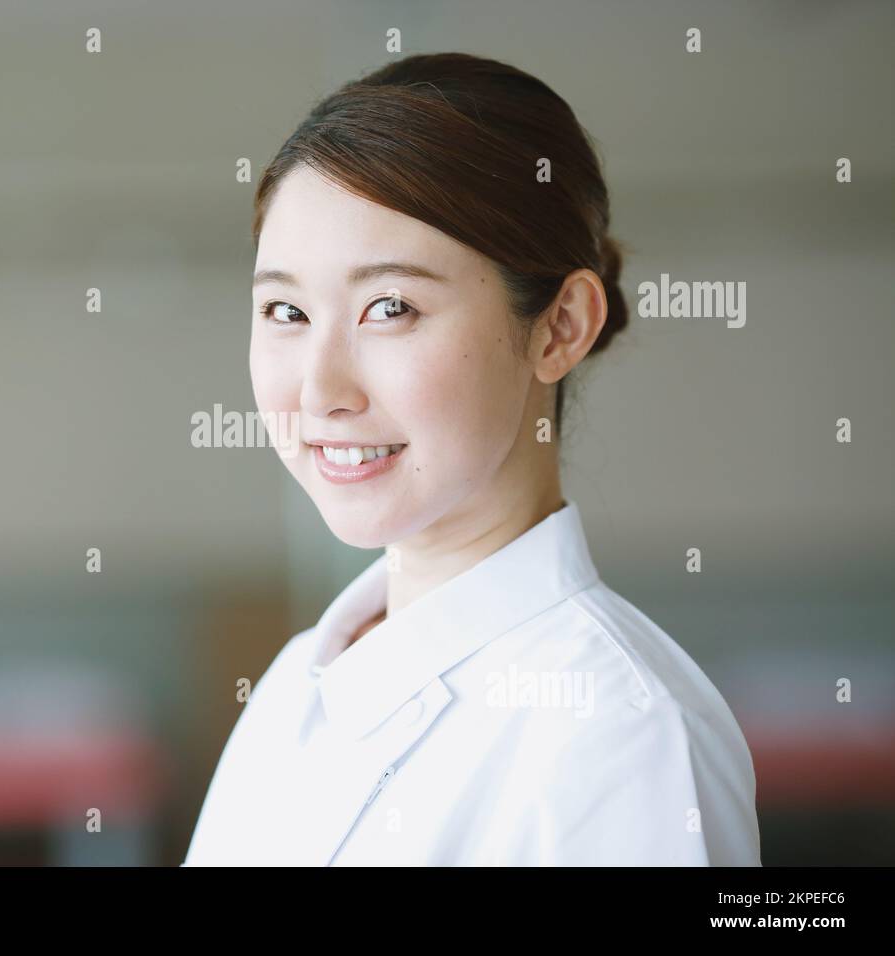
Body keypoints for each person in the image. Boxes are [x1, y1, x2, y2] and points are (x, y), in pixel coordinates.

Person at [182, 52, 761, 866]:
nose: (320, 390)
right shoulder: (289, 689)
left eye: (391, 307)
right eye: (286, 309)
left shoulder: (623, 735)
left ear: (560, 327)